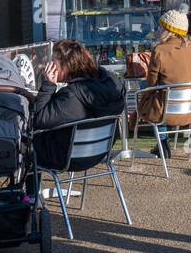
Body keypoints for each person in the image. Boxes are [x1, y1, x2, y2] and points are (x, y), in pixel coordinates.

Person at [30, 39, 125, 170]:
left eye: (53, 61)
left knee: (27, 141)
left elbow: (38, 119)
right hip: (99, 152)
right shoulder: (112, 84)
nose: (50, 65)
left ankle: (29, 190)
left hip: (69, 158)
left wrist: (48, 85)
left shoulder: (72, 96)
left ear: (67, 65)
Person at [136, 9, 191, 157]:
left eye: (161, 27)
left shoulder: (160, 50)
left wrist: (140, 102)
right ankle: (170, 142)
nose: (159, 30)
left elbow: (151, 84)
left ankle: (162, 142)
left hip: (166, 112)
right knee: (162, 93)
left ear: (168, 30)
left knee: (152, 93)